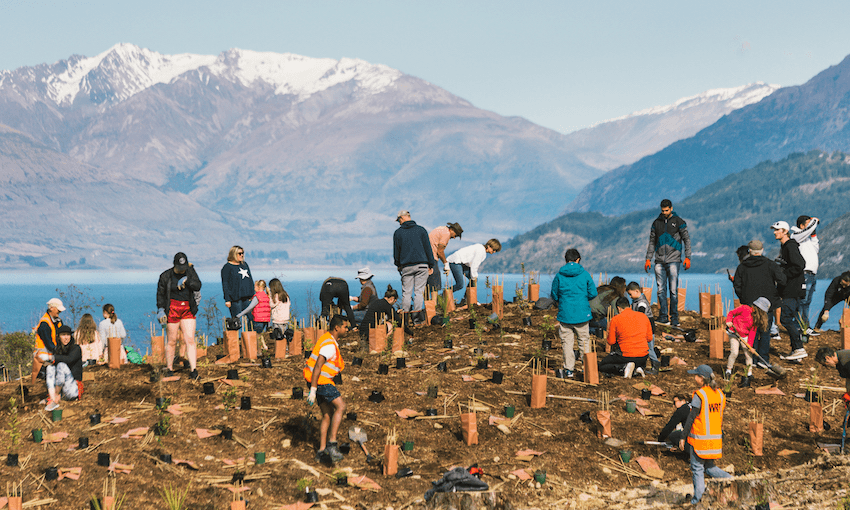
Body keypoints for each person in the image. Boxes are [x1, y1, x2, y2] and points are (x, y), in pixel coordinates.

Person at [680, 364, 731, 505]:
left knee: (697, 468)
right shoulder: (719, 394)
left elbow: (691, 417)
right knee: (709, 467)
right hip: (715, 441)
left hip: (700, 440)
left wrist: (683, 436)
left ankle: (697, 500)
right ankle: (730, 479)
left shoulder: (700, 395)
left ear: (701, 378)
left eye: (695, 375)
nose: (694, 378)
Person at [733, 240, 785, 365]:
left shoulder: (742, 267)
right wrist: (776, 294)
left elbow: (737, 285)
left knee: (752, 331)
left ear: (749, 251)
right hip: (767, 303)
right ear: (762, 250)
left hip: (749, 304)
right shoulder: (770, 264)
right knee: (765, 332)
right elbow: (782, 280)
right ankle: (763, 359)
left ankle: (753, 359)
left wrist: (744, 299)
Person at [305, 315, 348, 463]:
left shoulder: (327, 339)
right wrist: (313, 389)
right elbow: (318, 366)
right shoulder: (329, 345)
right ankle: (332, 444)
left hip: (318, 381)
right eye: (345, 327)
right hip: (321, 382)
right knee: (341, 406)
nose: (347, 330)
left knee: (327, 414)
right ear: (337, 327)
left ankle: (321, 451)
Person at [550, 248, 597, 378]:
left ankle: (569, 370)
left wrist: (563, 300)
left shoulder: (559, 276)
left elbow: (554, 294)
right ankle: (586, 369)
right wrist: (582, 298)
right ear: (578, 259)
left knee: (567, 343)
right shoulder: (585, 274)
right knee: (584, 341)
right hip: (582, 314)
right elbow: (593, 293)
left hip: (565, 314)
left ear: (566, 260)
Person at [644, 199, 691, 327]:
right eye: (662, 210)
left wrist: (688, 257)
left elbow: (686, 240)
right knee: (660, 290)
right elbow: (652, 242)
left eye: (666, 210)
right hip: (659, 261)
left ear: (671, 208)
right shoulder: (656, 223)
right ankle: (663, 317)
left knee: (673, 290)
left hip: (674, 260)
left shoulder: (679, 222)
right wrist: (648, 258)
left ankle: (674, 318)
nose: (664, 213)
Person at [156, 252, 202, 379]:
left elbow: (198, 285)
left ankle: (193, 370)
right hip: (172, 309)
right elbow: (160, 294)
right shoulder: (165, 276)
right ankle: (169, 368)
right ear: (174, 265)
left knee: (190, 340)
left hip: (187, 309)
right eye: (180, 268)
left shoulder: (190, 272)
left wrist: (187, 281)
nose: (182, 270)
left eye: (184, 267)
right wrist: (161, 309)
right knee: (171, 341)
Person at [771, 220, 807, 360]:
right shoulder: (786, 247)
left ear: (785, 231)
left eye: (777, 230)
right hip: (791, 289)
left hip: (792, 290)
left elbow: (800, 265)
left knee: (785, 318)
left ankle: (799, 348)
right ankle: (796, 352)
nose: (775, 232)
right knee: (791, 318)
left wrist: (783, 274)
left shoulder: (790, 246)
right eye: (774, 230)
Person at [393, 210, 436, 324]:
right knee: (419, 292)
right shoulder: (421, 230)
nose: (399, 223)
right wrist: (431, 264)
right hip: (422, 265)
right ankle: (417, 319)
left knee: (406, 293)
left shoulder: (398, 233)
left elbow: (396, 251)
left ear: (401, 218)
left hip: (406, 266)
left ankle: (405, 320)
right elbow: (428, 248)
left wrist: (398, 264)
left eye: (398, 220)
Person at [599, 297, 653, 378]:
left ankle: (624, 367)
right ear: (630, 306)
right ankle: (638, 368)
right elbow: (649, 338)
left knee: (602, 365)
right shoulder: (643, 316)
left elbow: (611, 342)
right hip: (643, 356)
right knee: (635, 361)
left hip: (625, 355)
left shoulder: (615, 319)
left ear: (618, 308)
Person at [725, 297, 770, 387]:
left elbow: (752, 332)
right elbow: (731, 313)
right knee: (734, 352)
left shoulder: (756, 318)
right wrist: (729, 321)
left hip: (744, 336)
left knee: (748, 354)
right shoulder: (744, 308)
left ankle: (749, 373)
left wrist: (750, 345)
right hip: (734, 333)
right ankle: (728, 371)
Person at [357, 285, 414, 351]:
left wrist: (396, 312)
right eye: (395, 301)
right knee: (390, 325)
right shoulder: (387, 305)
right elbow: (398, 322)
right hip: (372, 332)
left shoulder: (377, 302)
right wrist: (410, 332)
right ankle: (385, 344)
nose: (394, 303)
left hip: (363, 330)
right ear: (392, 298)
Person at [44, 325, 83, 411]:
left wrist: (53, 358)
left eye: (68, 335)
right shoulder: (57, 350)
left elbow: (69, 359)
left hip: (73, 389)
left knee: (61, 365)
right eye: (63, 335)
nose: (66, 338)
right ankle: (52, 396)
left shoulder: (76, 348)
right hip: (63, 389)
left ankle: (55, 397)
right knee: (50, 367)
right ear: (58, 337)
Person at [791, 215, 819, 333]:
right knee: (802, 301)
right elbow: (808, 229)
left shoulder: (807, 238)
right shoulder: (796, 236)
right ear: (802, 226)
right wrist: (814, 221)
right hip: (804, 274)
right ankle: (800, 326)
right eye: (808, 223)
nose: (811, 226)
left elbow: (816, 249)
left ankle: (804, 326)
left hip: (812, 275)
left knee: (806, 302)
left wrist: (814, 234)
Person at [627, 281, 660, 374]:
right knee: (645, 348)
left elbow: (641, 312)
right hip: (644, 327)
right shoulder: (636, 301)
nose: (630, 296)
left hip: (648, 328)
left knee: (649, 348)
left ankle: (655, 365)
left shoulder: (642, 302)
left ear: (637, 291)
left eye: (630, 294)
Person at [32, 297, 65, 384]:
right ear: (51, 308)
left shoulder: (58, 321)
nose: (60, 312)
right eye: (58, 309)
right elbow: (49, 344)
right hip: (43, 360)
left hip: (52, 358)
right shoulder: (44, 323)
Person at [427, 222, 463, 291]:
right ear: (452, 229)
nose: (454, 237)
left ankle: (427, 297)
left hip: (426, 256)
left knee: (428, 284)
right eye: (455, 235)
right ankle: (435, 298)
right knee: (435, 284)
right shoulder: (446, 233)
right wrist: (445, 263)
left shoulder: (442, 229)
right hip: (431, 258)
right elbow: (440, 251)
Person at [221, 245, 254, 320]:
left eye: (242, 253)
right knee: (236, 320)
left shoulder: (244, 265)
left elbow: (250, 280)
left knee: (252, 318)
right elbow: (225, 284)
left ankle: (251, 328)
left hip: (247, 298)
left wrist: (253, 294)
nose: (242, 255)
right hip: (235, 300)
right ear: (233, 254)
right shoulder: (227, 267)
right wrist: (227, 300)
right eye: (239, 253)